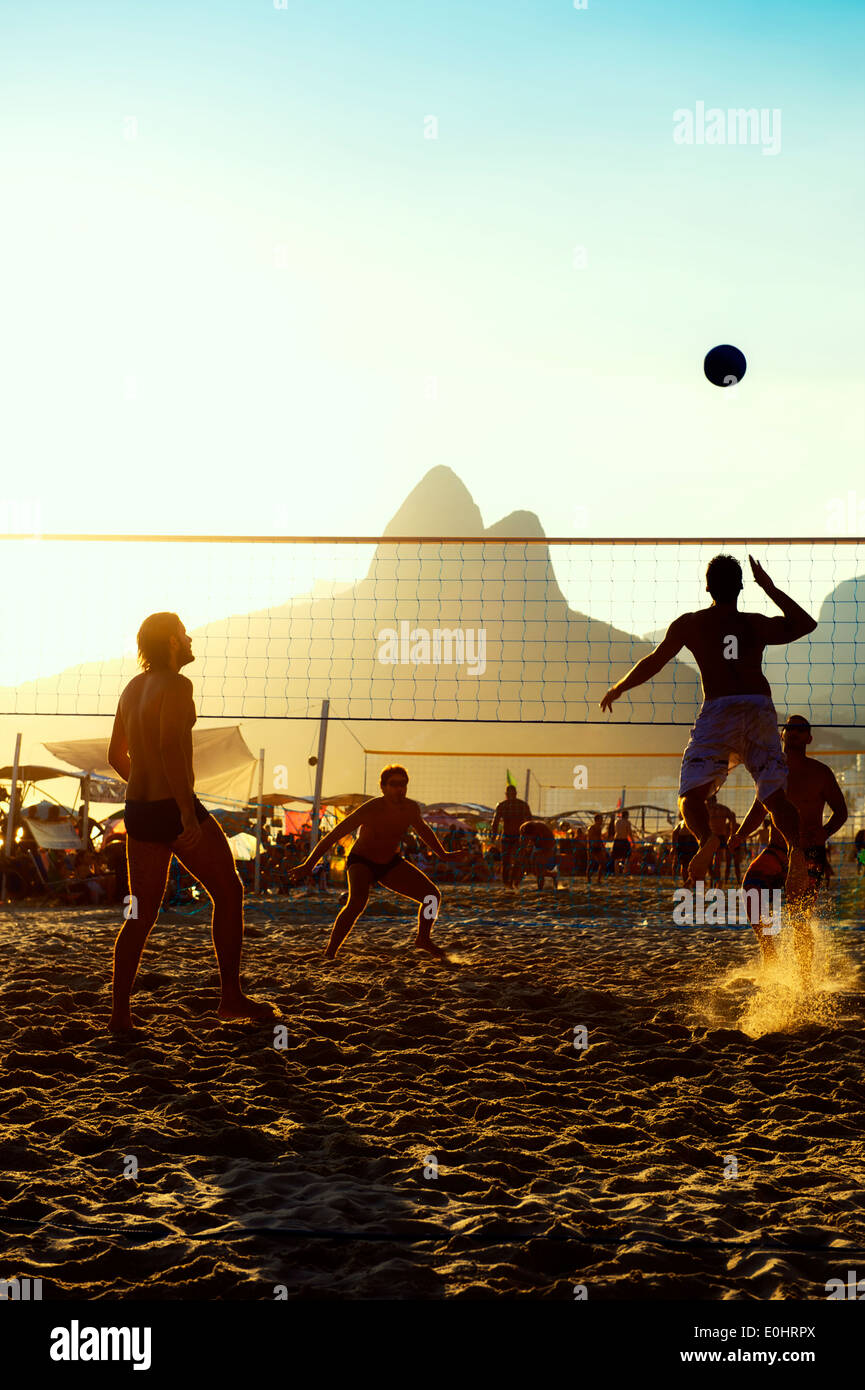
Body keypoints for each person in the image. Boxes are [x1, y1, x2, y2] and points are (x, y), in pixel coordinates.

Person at [600, 554, 815, 898]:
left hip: (718, 710)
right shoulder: (754, 623)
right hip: (759, 707)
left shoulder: (692, 624)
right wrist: (769, 586)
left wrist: (619, 687)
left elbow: (654, 661)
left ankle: (707, 840)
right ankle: (796, 851)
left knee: (690, 797)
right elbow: (806, 624)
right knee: (774, 795)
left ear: (707, 587)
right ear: (741, 588)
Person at [107, 612, 278, 1031]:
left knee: (140, 916)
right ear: (170, 641)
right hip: (173, 806)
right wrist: (184, 810)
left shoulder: (131, 688)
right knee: (229, 892)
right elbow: (169, 748)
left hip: (140, 809)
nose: (189, 639)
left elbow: (117, 757)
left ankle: (119, 1016)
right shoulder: (178, 685)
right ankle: (231, 998)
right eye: (183, 633)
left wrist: (146, 790)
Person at [286, 765, 467, 961]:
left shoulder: (410, 808)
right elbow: (332, 836)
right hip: (361, 861)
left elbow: (424, 832)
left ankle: (423, 938)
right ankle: (330, 953)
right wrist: (308, 864)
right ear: (383, 787)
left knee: (431, 896)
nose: (400, 789)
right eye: (394, 784)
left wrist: (444, 854)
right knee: (356, 904)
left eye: (403, 784)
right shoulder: (372, 808)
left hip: (389, 863)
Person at [731, 714, 848, 985]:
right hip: (778, 849)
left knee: (799, 917)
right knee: (751, 891)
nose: (794, 733)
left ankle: (804, 978)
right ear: (782, 735)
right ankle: (769, 954)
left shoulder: (820, 773)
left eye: (800, 730)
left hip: (808, 853)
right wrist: (740, 835)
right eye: (790, 729)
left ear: (808, 738)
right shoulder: (771, 771)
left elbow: (841, 812)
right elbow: (760, 808)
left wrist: (826, 831)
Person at [490, 784, 532, 888]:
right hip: (510, 837)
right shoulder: (506, 805)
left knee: (513, 861)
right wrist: (494, 835)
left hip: (516, 837)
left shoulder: (518, 805)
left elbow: (529, 822)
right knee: (508, 861)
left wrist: (494, 836)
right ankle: (509, 883)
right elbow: (495, 822)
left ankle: (511, 883)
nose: (510, 795)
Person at [513, 818, 558, 891]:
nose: (529, 839)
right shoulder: (522, 828)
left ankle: (540, 888)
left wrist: (538, 853)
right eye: (527, 837)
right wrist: (523, 853)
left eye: (530, 837)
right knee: (527, 866)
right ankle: (515, 885)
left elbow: (549, 846)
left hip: (548, 846)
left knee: (539, 866)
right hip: (536, 846)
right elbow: (522, 846)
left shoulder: (544, 832)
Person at [672, 817, 698, 884]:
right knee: (686, 865)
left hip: (690, 840)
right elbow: (674, 833)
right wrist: (673, 848)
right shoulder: (682, 822)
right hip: (686, 840)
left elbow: (674, 833)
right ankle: (688, 883)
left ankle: (689, 884)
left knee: (686, 865)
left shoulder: (682, 822)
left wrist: (673, 848)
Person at [586, 812, 607, 883]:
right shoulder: (592, 828)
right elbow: (589, 839)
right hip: (592, 847)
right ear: (597, 820)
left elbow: (599, 838)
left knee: (602, 863)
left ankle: (598, 879)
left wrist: (603, 847)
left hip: (598, 847)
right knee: (591, 864)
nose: (602, 821)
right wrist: (589, 849)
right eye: (601, 819)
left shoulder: (599, 828)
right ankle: (588, 879)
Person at [611, 809, 633, 875]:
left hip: (617, 840)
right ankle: (625, 872)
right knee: (627, 857)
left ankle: (616, 872)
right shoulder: (627, 822)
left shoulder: (616, 821)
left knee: (616, 858)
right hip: (623, 840)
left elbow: (616, 830)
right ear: (626, 815)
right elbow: (629, 833)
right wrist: (633, 842)